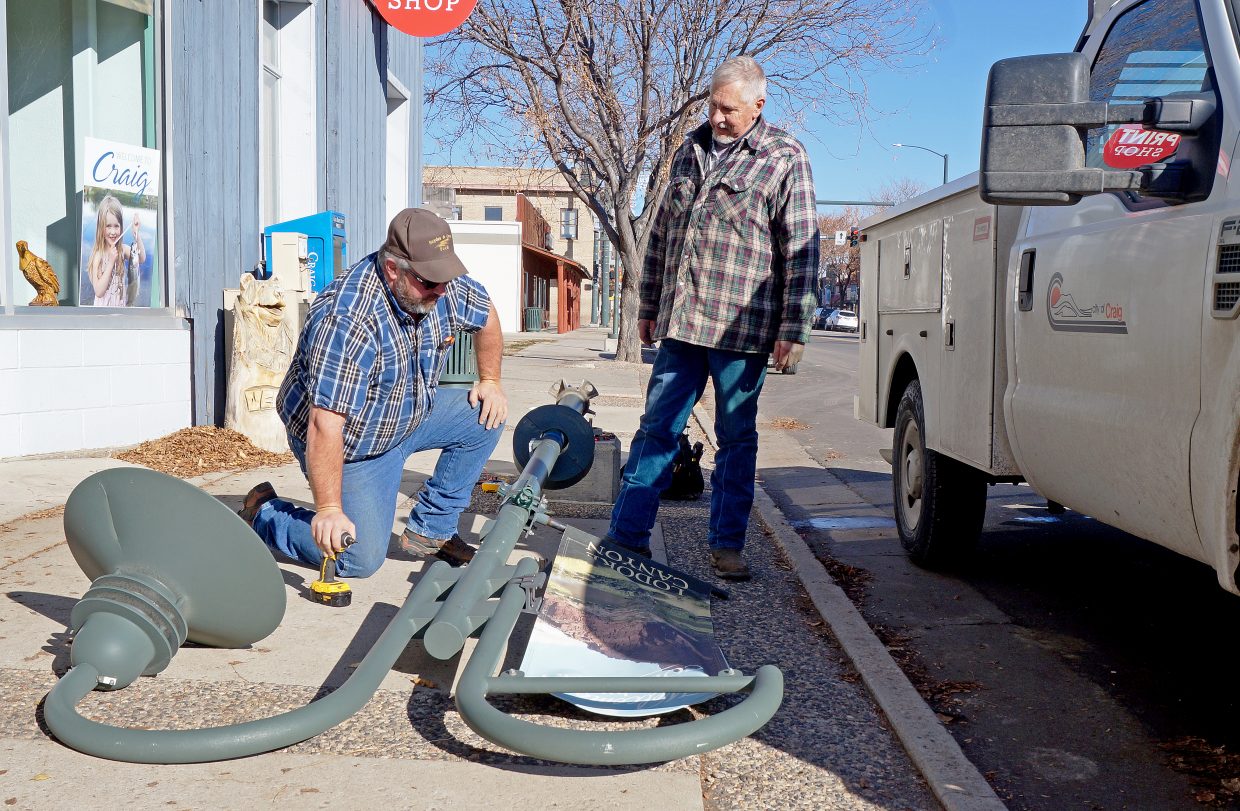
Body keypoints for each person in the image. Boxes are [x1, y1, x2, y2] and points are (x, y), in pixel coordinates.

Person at [607, 56, 819, 581]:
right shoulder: (689, 151)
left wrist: (794, 329)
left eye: (729, 108)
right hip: (681, 324)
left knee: (736, 439)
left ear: (758, 105)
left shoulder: (784, 156)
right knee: (656, 431)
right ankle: (626, 537)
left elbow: (803, 250)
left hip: (742, 332)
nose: (719, 117)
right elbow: (660, 236)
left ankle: (726, 545)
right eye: (713, 105)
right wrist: (648, 305)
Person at [239, 208, 509, 577]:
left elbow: (487, 314)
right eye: (430, 282)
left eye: (445, 278)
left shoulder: (440, 284)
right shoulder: (348, 319)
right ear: (393, 269)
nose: (442, 290)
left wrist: (490, 381)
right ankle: (265, 514)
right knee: (359, 558)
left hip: (408, 413)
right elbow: (325, 425)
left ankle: (433, 529)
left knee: (486, 416)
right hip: (352, 443)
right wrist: (330, 510)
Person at [85, 195, 144, 307]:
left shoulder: (122, 250)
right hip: (102, 314)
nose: (113, 232)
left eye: (116, 226)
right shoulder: (98, 255)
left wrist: (136, 233)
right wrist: (111, 262)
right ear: (101, 228)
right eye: (108, 226)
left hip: (120, 309)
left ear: (121, 227)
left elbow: (141, 259)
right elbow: (99, 291)